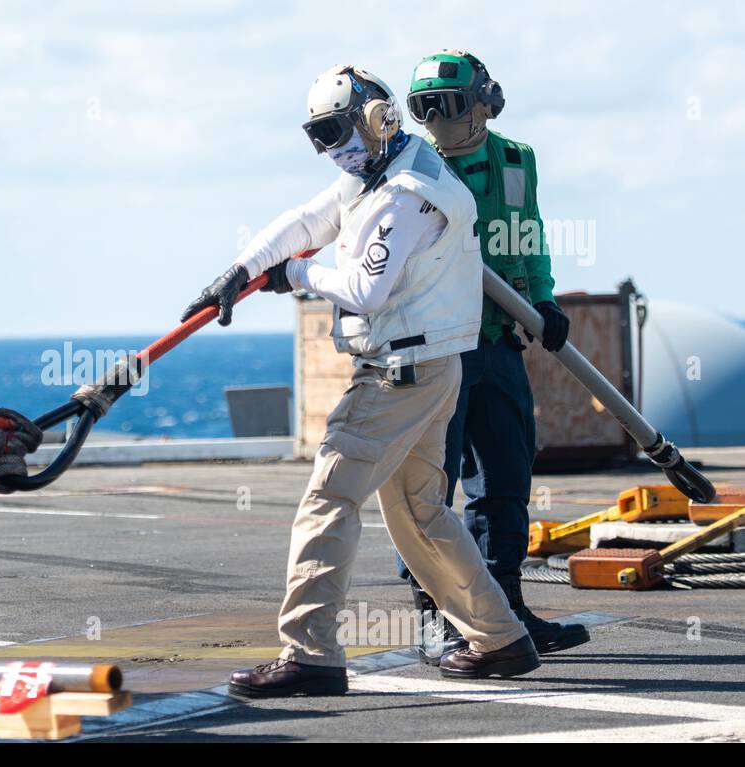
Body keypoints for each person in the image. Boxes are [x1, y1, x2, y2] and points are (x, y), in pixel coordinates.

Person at [181, 64, 540, 697]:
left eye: (337, 131)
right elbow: (304, 221)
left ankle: (310, 653)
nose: (331, 149)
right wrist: (239, 271)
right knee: (421, 513)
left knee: (328, 500)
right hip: (427, 370)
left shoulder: (406, 191)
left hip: (397, 376)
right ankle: (500, 637)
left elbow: (364, 290)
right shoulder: (377, 173)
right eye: (319, 136)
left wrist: (293, 277)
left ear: (375, 119)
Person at [402, 50, 589, 662]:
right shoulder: (408, 165)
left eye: (448, 105)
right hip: (437, 348)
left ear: (485, 101)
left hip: (498, 343)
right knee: (431, 490)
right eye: (423, 108)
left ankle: (503, 608)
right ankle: (435, 617)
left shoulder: (516, 159)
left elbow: (527, 228)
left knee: (506, 483)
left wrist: (544, 299)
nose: (437, 119)